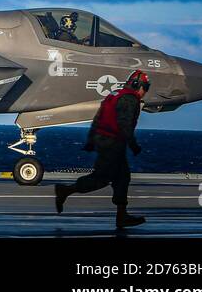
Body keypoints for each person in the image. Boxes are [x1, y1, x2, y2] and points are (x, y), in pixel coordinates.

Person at [54, 69, 150, 228]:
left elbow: (98, 118)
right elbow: (124, 124)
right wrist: (133, 145)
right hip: (113, 142)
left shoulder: (114, 95)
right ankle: (65, 190)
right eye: (145, 86)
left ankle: (122, 216)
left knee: (122, 177)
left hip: (104, 139)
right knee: (102, 178)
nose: (145, 91)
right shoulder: (130, 99)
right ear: (137, 85)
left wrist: (91, 140)